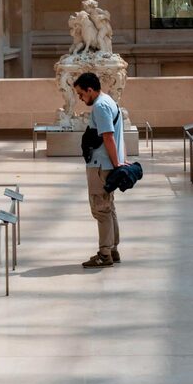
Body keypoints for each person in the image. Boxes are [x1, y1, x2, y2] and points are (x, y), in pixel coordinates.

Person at [74, 71, 125, 268]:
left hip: (100, 166)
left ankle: (105, 254)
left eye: (81, 94)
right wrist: (120, 160)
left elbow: (108, 136)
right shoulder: (109, 101)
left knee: (101, 209)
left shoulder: (100, 106)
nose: (80, 98)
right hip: (107, 164)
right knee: (108, 207)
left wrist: (116, 163)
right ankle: (112, 249)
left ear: (90, 90)